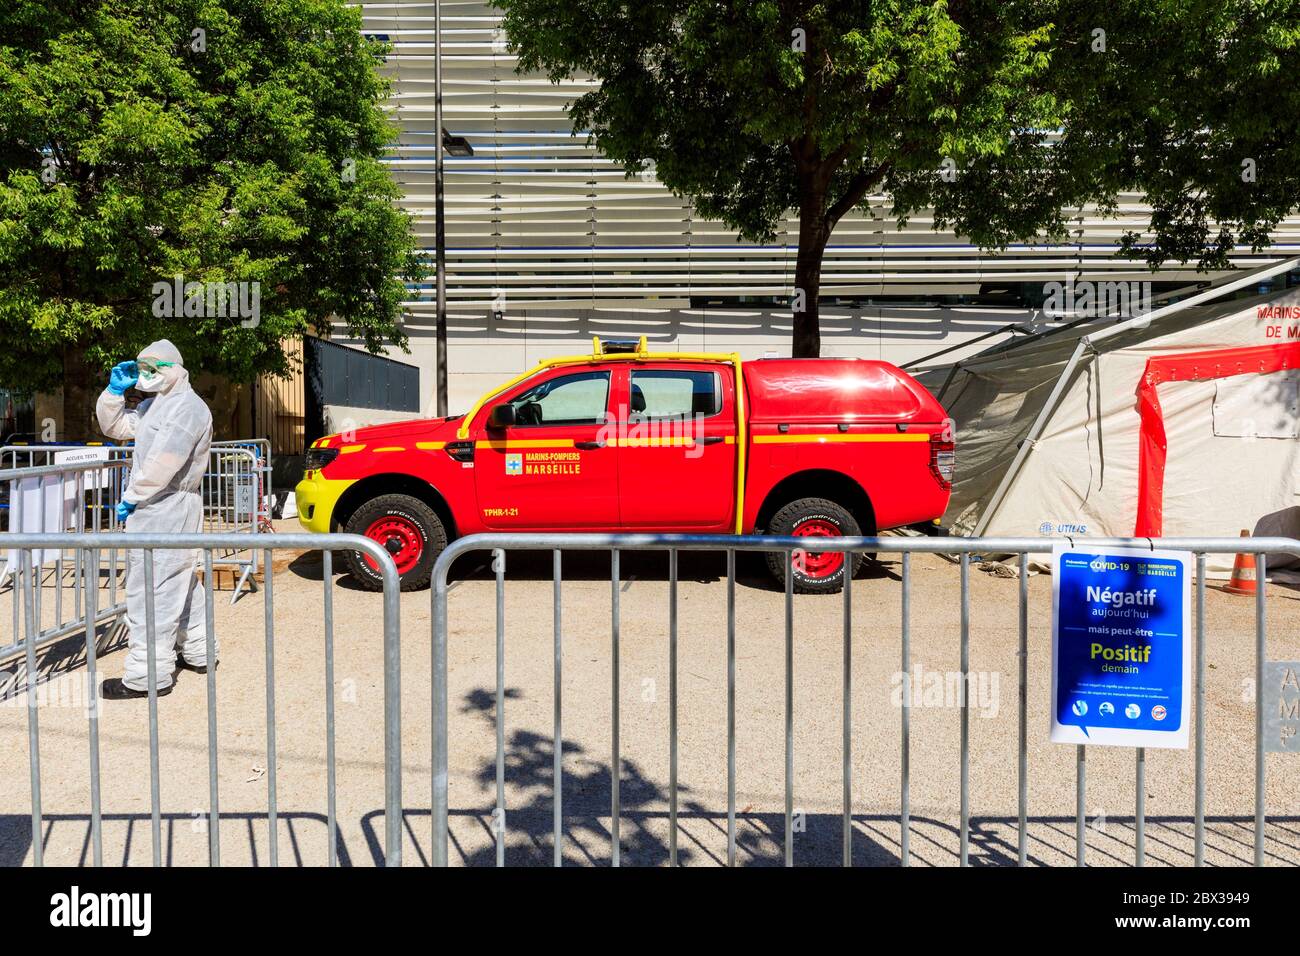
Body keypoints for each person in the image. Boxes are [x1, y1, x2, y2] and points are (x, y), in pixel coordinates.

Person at [96, 340, 214, 699]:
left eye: (152, 369)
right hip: (156, 506)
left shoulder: (189, 408)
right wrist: (114, 392)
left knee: (153, 588)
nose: (146, 375)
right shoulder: (153, 406)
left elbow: (167, 460)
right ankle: (199, 650)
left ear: (173, 369)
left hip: (166, 506)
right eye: (142, 369)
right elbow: (115, 427)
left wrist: (133, 496)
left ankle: (147, 676)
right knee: (179, 581)